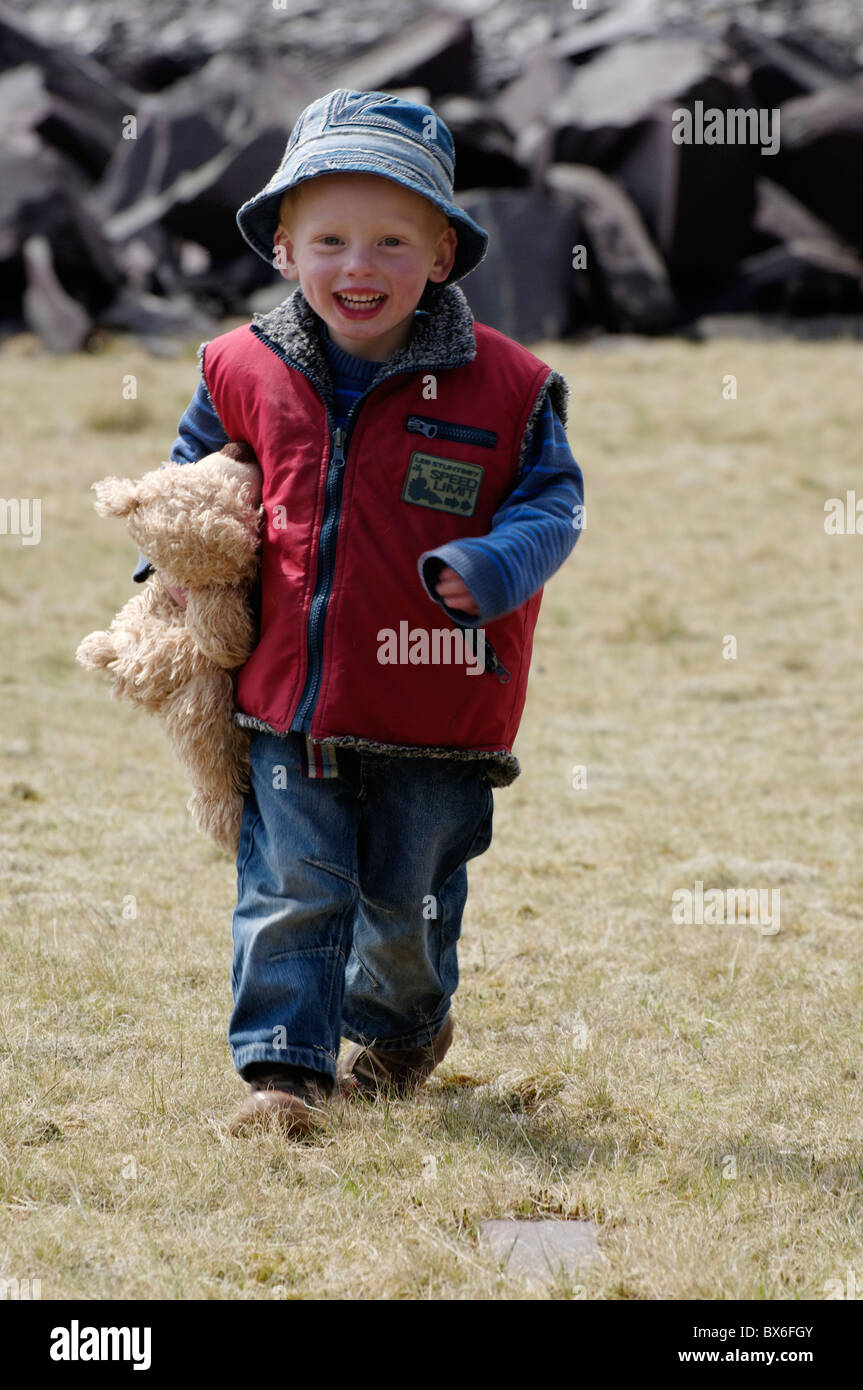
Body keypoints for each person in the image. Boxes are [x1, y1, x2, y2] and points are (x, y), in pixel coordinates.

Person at [132, 88, 585, 1138]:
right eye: (328, 238)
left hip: (436, 707)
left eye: (390, 239)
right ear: (284, 249)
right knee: (290, 885)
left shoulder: (505, 386)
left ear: (439, 254)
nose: (357, 264)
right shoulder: (238, 366)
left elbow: (554, 502)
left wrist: (496, 561)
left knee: (401, 907)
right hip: (288, 696)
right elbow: (191, 491)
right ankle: (281, 1076)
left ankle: (405, 1025)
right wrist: (166, 587)